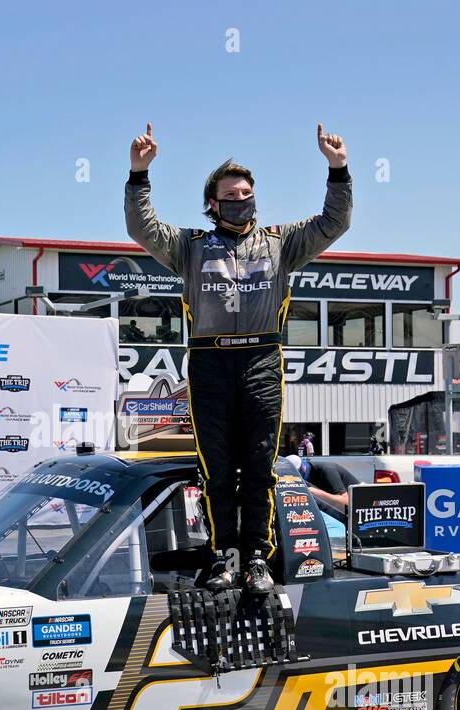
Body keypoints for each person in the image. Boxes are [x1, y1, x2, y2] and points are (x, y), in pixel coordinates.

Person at [125, 122, 352, 593]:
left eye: (247, 192)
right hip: (208, 362)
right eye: (231, 193)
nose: (241, 199)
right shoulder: (189, 246)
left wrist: (337, 170)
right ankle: (223, 557)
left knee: (259, 467)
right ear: (213, 202)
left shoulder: (280, 241)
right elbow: (141, 227)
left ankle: (256, 560)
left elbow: (335, 222)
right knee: (218, 470)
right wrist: (138, 174)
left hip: (262, 361)